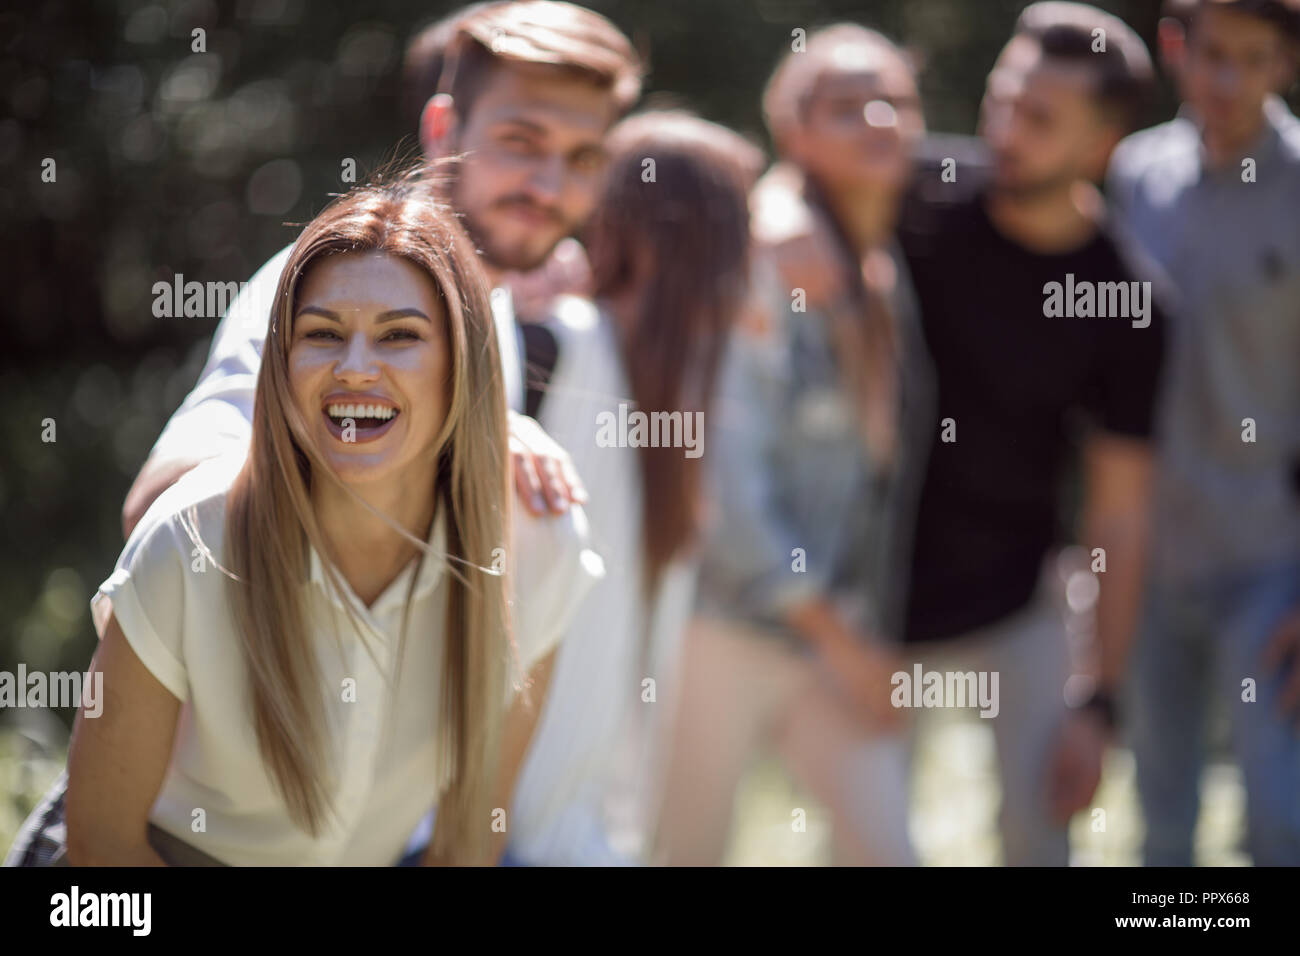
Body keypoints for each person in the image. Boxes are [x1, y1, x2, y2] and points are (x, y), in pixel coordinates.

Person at [5, 171, 601, 866]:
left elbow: (467, 843)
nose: (354, 367)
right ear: (281, 364)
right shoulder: (190, 538)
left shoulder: (537, 544)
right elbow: (101, 847)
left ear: (463, 366)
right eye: (322, 334)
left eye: (399, 336)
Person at [765, 3, 1170, 865]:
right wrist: (782, 212)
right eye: (1002, 100)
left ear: (1100, 146)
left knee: (1038, 837)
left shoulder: (1127, 301)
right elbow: (802, 168)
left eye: (1039, 119)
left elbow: (1120, 514)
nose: (1004, 130)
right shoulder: (919, 186)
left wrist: (1098, 703)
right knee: (866, 847)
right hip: (876, 603)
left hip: (1019, 604)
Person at [119, 0, 644, 539]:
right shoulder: (333, 279)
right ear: (443, 129)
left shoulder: (494, 304)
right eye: (520, 142)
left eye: (583, 158)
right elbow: (157, 507)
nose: (549, 188)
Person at [656, 25, 929, 866]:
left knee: (887, 848)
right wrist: (848, 647)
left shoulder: (879, 263)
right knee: (683, 852)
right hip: (725, 625)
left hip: (830, 626)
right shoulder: (762, 253)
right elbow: (727, 486)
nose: (880, 119)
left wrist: (858, 633)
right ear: (794, 132)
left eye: (896, 101)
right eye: (846, 107)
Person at [505, 110, 763, 863]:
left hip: (588, 826)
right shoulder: (545, 349)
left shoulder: (685, 383)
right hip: (494, 825)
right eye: (733, 229)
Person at [1107, 0, 1300, 865]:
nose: (1225, 80)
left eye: (1250, 60)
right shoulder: (1134, 174)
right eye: (1210, 53)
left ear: (1283, 67)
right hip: (1148, 553)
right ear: (1177, 48)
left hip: (1272, 559)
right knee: (1161, 819)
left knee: (1277, 817)